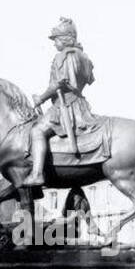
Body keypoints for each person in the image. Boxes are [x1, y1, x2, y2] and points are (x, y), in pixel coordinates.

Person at [23, 18, 97, 187]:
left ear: (64, 39)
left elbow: (58, 83)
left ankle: (37, 174)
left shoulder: (62, 56)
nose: (54, 44)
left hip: (65, 106)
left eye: (56, 39)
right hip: (80, 104)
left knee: (37, 131)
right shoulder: (84, 57)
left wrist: (40, 98)